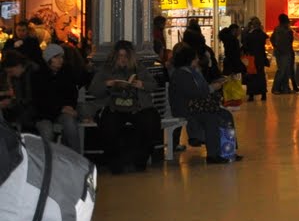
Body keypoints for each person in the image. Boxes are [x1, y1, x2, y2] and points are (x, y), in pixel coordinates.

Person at [89, 40, 161, 173]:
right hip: (114, 107)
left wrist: (142, 84)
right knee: (108, 125)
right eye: (119, 56)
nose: (122, 59)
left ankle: (140, 161)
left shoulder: (138, 68)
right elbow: (93, 89)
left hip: (137, 107)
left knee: (151, 122)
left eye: (125, 56)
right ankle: (115, 163)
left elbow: (153, 84)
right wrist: (107, 84)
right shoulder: (107, 69)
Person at [168, 42, 241, 164]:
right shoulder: (181, 74)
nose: (197, 59)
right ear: (190, 59)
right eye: (195, 57)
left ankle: (228, 150)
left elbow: (199, 90)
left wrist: (213, 85)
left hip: (195, 105)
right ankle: (213, 154)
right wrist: (212, 88)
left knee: (225, 115)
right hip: (187, 107)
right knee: (211, 118)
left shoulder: (191, 72)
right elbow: (193, 92)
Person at [33, 42, 86, 154]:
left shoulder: (66, 72)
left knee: (70, 124)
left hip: (63, 111)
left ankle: (76, 159)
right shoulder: (39, 75)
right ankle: (48, 163)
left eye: (61, 57)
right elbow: (40, 101)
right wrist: (61, 108)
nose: (60, 60)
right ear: (49, 59)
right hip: (44, 114)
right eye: (56, 57)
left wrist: (70, 107)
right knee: (47, 132)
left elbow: (72, 93)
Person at [241, 16, 269, 102]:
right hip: (260, 57)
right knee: (261, 75)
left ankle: (251, 95)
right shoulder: (262, 35)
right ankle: (263, 94)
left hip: (251, 58)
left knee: (251, 76)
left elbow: (245, 45)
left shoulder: (249, 35)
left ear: (252, 25)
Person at [270, 14, 296, 95]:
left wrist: (275, 47)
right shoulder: (285, 30)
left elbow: (272, 39)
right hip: (284, 52)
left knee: (285, 71)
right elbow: (289, 41)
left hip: (282, 52)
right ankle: (276, 88)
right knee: (282, 71)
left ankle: (285, 88)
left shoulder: (278, 29)